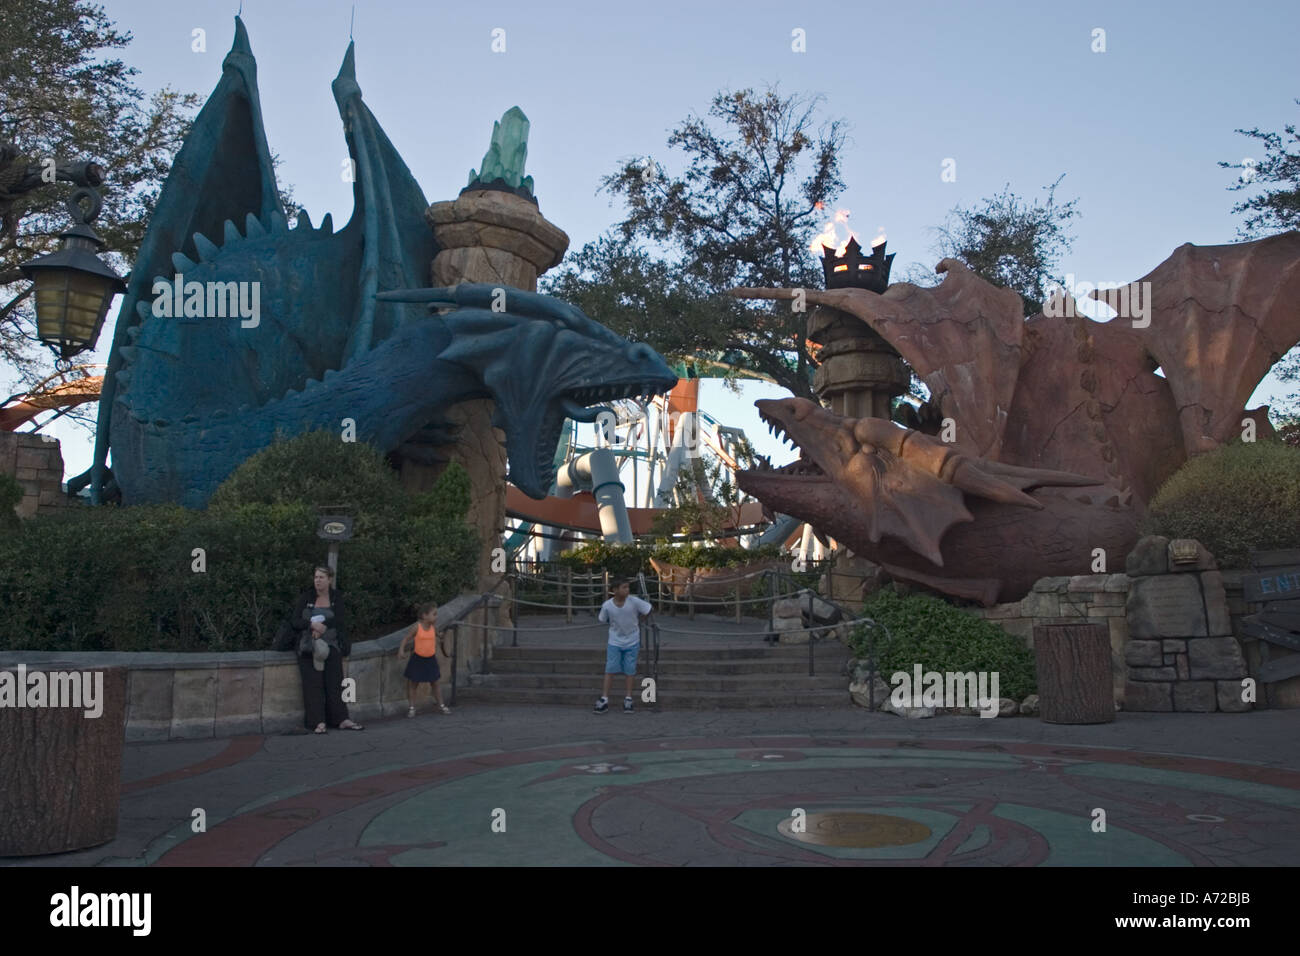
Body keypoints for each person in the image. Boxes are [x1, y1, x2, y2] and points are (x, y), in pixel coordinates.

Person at [275, 566, 364, 734]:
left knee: (335, 682)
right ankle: (317, 721)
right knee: (312, 684)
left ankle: (340, 718)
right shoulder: (306, 597)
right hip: (309, 644)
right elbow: (295, 621)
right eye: (316, 577)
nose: (317, 580)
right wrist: (311, 625)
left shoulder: (336, 597)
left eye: (322, 577)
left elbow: (340, 619)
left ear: (329, 579)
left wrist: (324, 626)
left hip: (331, 644)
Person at [594, 578, 652, 713]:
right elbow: (602, 618)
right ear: (615, 590)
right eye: (624, 587)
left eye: (627, 587)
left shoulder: (634, 601)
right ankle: (604, 698)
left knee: (630, 670)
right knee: (610, 669)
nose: (627, 590)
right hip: (615, 641)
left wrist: (639, 620)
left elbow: (648, 609)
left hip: (632, 640)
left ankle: (628, 698)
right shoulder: (607, 605)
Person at [398, 602, 451, 717]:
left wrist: (441, 637)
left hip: (430, 659)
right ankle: (412, 708)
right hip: (418, 659)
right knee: (413, 684)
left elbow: (439, 635)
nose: (436, 617)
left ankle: (441, 705)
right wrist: (401, 650)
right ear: (424, 615)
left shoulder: (433, 628)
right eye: (434, 614)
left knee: (435, 683)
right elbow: (406, 639)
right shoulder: (417, 627)